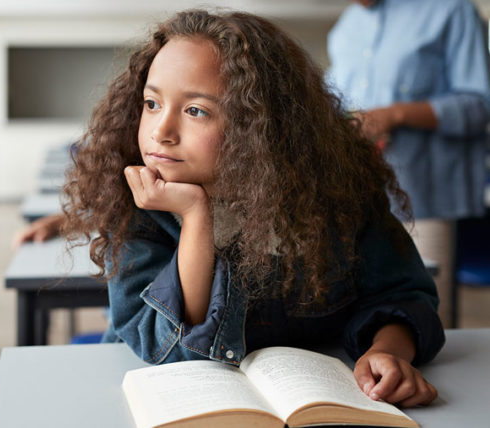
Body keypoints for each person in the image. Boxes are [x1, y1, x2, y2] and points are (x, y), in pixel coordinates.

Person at [61, 10, 444, 407]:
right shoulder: (139, 208)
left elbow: (403, 295)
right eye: (152, 103)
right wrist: (196, 218)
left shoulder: (338, 197)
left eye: (196, 110)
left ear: (261, 125)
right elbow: (170, 349)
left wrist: (390, 353)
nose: (161, 131)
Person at [327, 0, 490, 328]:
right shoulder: (347, 27)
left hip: (426, 200)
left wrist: (395, 114)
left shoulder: (451, 11)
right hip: (360, 204)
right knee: (374, 320)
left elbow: (479, 105)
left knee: (427, 319)